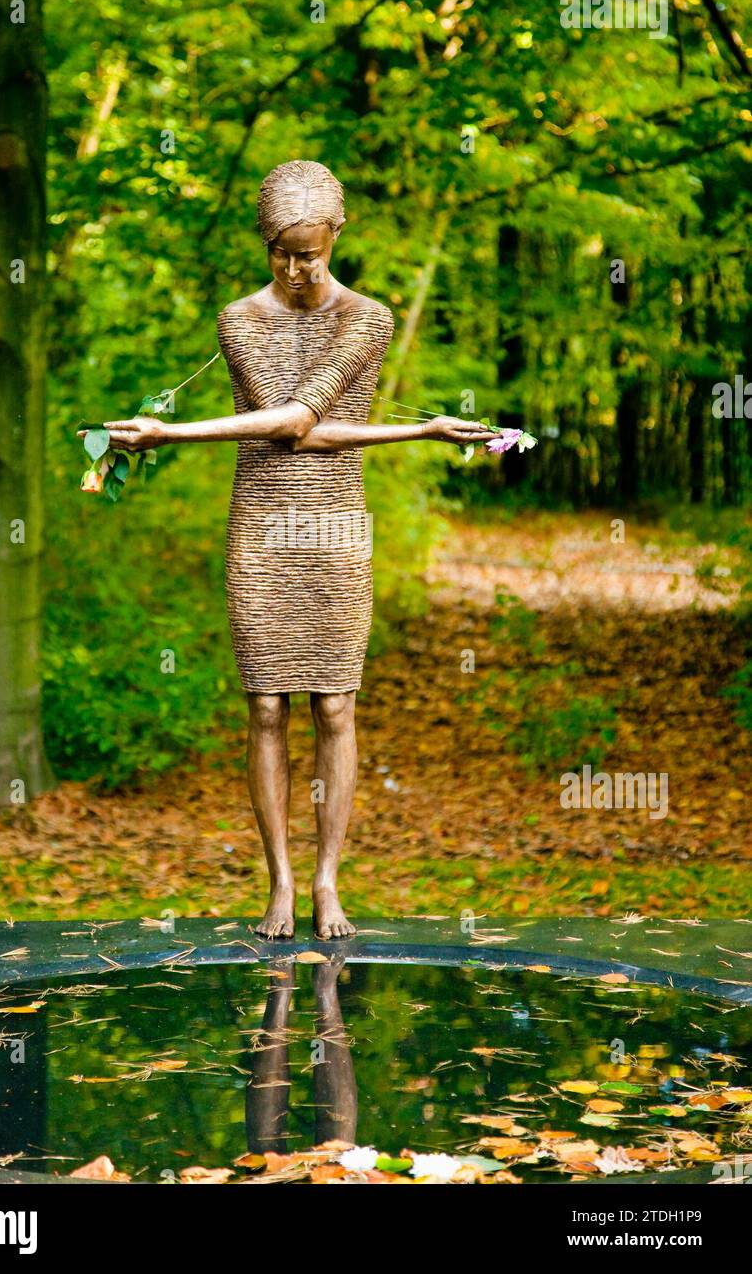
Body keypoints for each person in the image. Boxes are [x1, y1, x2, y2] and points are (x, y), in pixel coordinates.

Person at [91, 161, 497, 939]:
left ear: (337, 236)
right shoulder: (238, 320)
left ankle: (326, 883)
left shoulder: (368, 320)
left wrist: (170, 433)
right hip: (262, 523)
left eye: (309, 252)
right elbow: (285, 425)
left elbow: (305, 425)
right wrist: (417, 428)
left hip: (337, 523)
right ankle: (278, 881)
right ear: (265, 243)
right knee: (267, 705)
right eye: (282, 252)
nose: (296, 267)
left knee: (336, 705)